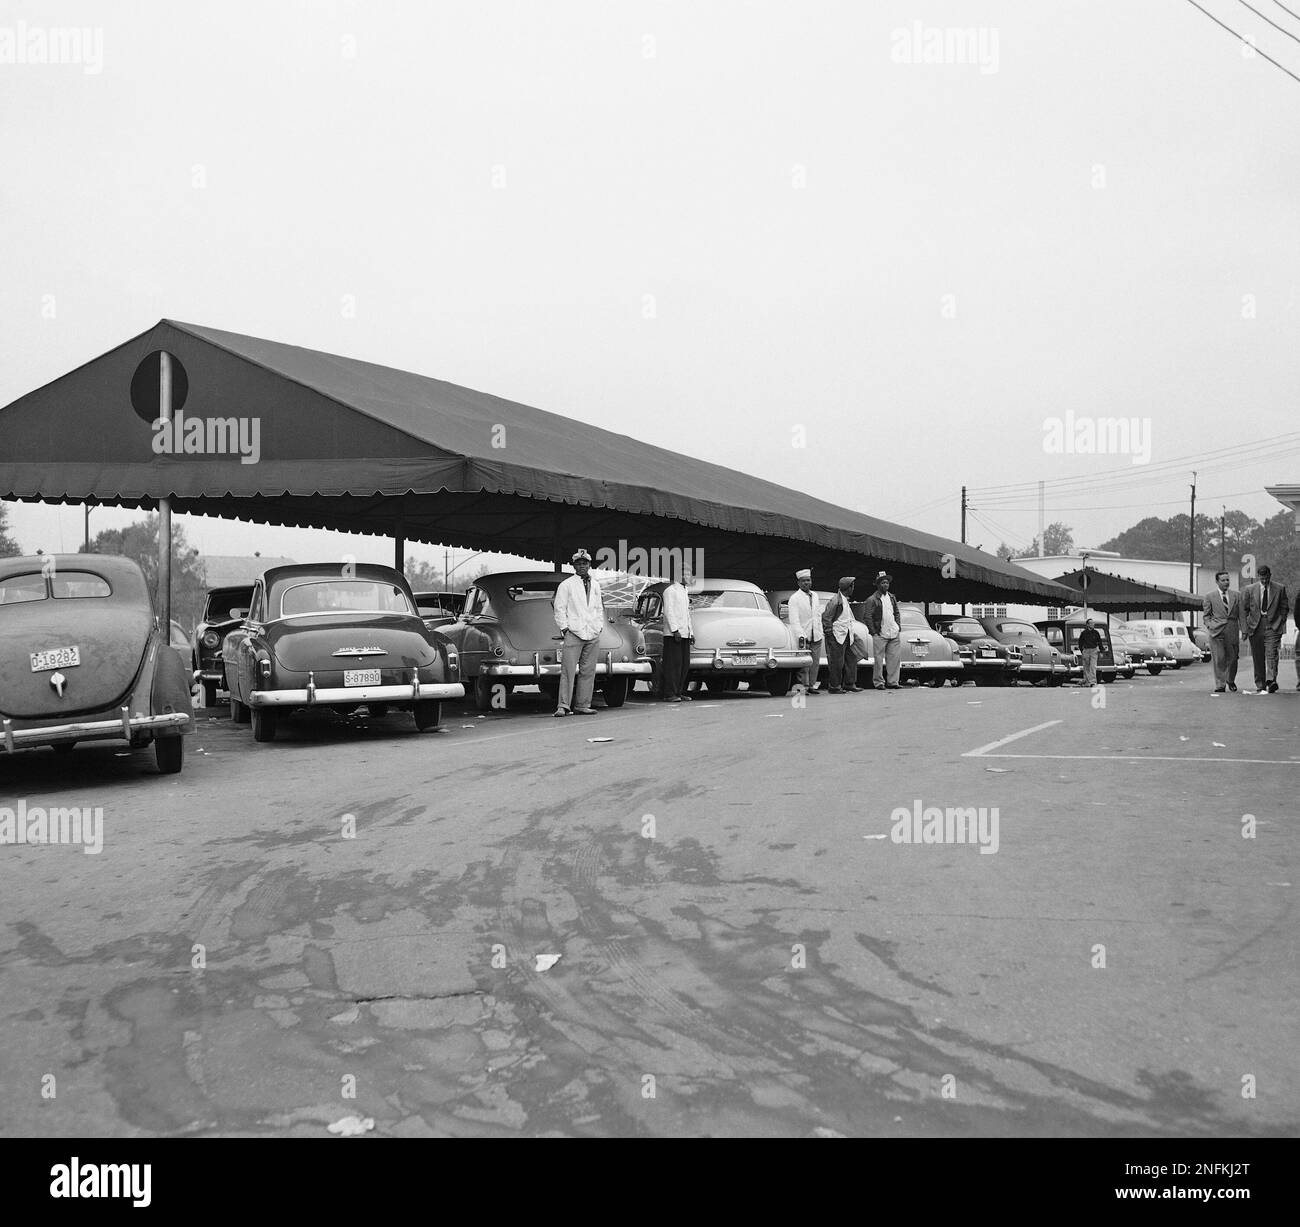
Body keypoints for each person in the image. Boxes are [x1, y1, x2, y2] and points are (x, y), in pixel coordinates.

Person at [553, 549, 604, 716]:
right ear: (574, 566)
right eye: (579, 563)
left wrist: (599, 626)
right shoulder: (566, 584)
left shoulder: (595, 584)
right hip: (574, 632)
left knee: (588, 671)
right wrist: (565, 629)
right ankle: (563, 705)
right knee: (568, 670)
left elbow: (598, 608)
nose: (582, 566)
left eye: (585, 563)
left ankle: (583, 704)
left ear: (589, 565)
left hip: (592, 632)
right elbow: (559, 609)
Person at [1240, 564, 1289, 694]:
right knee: (1258, 657)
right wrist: (1245, 629)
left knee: (1271, 654)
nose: (1264, 581)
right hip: (1255, 626)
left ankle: (1271, 681)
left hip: (1272, 625)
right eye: (1262, 579)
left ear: (1270, 576)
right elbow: (1244, 610)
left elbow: (1285, 607)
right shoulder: (1249, 589)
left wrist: (1280, 621)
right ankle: (1260, 684)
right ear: (1258, 576)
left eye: (1266, 578)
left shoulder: (1279, 588)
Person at [1201, 570, 1241, 695]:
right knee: (1219, 658)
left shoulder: (1236, 595)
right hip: (1216, 631)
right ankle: (1220, 684)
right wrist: (1210, 626)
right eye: (1223, 580)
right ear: (1217, 582)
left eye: (1228, 580)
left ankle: (1230, 680)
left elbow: (1242, 615)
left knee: (1233, 658)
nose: (1226, 582)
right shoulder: (1209, 596)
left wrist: (1244, 630)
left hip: (1232, 629)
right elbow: (1206, 615)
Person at [820, 576, 861, 693]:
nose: (853, 589)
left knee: (851, 659)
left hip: (847, 634)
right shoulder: (835, 601)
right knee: (837, 662)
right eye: (852, 586)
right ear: (848, 588)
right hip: (836, 635)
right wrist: (829, 634)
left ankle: (849, 683)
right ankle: (834, 686)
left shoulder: (844, 599)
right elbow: (826, 618)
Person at [786, 569, 823, 694]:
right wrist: (801, 635)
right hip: (803, 635)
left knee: (815, 662)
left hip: (816, 634)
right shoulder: (794, 598)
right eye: (803, 581)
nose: (806, 583)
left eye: (808, 580)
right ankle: (803, 687)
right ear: (798, 583)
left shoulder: (815, 596)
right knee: (803, 664)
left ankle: (811, 685)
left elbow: (818, 615)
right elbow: (794, 620)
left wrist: (820, 630)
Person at [863, 571, 903, 690]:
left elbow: (896, 612)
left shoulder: (892, 597)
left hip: (893, 632)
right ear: (878, 584)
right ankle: (879, 682)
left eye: (887, 582)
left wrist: (898, 626)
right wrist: (874, 632)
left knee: (894, 659)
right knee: (879, 660)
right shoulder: (872, 599)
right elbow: (867, 617)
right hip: (880, 633)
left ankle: (893, 682)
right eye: (883, 582)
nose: (886, 585)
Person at [659, 566, 693, 703]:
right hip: (673, 634)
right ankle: (669, 693)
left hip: (685, 633)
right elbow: (668, 611)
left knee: (684, 665)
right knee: (673, 665)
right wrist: (675, 630)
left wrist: (691, 632)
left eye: (690, 574)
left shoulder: (685, 591)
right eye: (686, 574)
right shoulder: (670, 590)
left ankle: (679, 692)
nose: (688, 576)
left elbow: (687, 614)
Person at [1077, 618, 1102, 687]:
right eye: (1091, 623)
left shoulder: (1096, 633)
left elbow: (1100, 642)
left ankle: (1093, 682)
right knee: (1086, 667)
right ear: (1087, 624)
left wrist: (1101, 650)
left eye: (1093, 623)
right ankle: (1087, 681)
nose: (1093, 624)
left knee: (1093, 666)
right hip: (1086, 651)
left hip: (1094, 651)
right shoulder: (1083, 633)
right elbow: (1080, 643)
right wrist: (1082, 651)